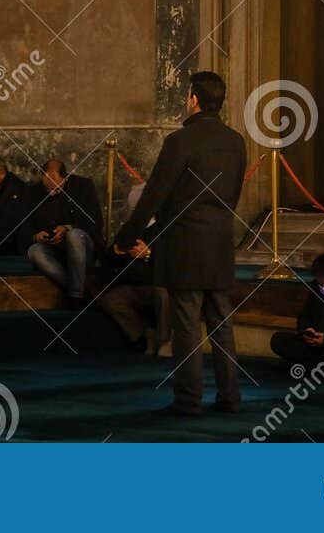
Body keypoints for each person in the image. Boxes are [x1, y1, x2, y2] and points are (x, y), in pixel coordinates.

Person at [114, 69, 246, 417]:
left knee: (186, 325)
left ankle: (189, 401)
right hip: (220, 240)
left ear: (193, 99)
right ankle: (230, 398)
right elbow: (233, 195)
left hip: (186, 242)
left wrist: (126, 237)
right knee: (222, 323)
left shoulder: (180, 142)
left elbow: (154, 195)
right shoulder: (237, 142)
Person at [94, 184, 170, 354]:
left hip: (157, 283)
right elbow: (108, 260)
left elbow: (173, 259)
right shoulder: (130, 228)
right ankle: (144, 333)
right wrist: (117, 251)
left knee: (163, 295)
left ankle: (164, 340)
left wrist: (148, 254)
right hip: (132, 285)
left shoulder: (166, 227)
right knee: (111, 300)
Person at [23, 159, 103, 303]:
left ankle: (76, 297)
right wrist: (36, 235)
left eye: (57, 188)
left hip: (83, 247)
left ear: (65, 178)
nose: (52, 192)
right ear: (42, 178)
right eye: (49, 189)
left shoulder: (83, 187)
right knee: (34, 251)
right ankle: (81, 292)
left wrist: (67, 228)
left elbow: (96, 221)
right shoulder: (32, 192)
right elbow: (24, 225)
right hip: (55, 248)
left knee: (73, 235)